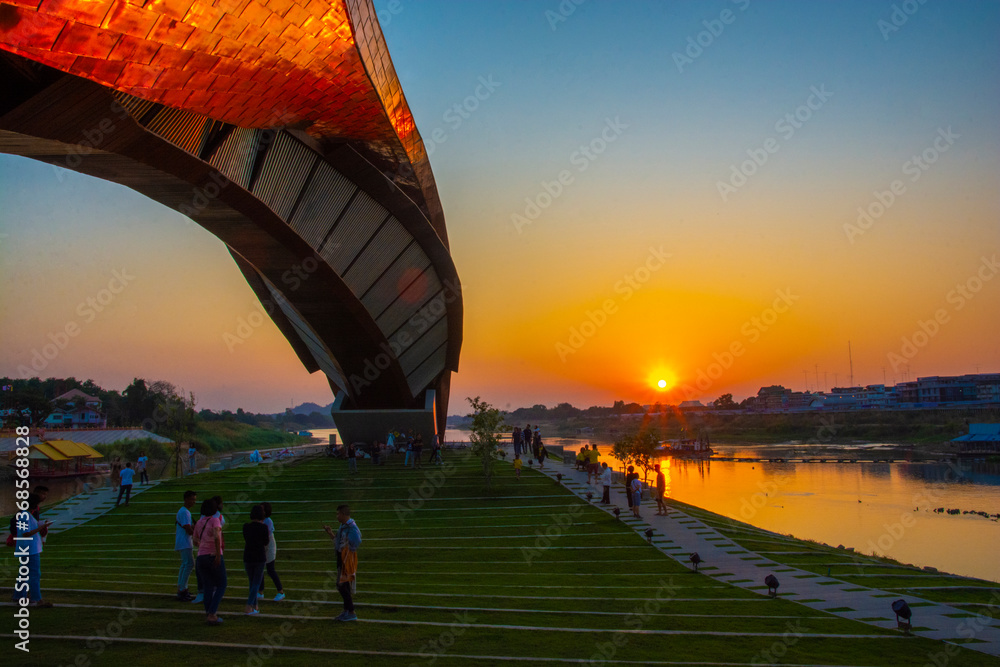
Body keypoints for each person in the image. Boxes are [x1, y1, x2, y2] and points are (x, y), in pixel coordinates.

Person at [323, 504, 361, 621]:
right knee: (344, 585)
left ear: (344, 514)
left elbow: (357, 541)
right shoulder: (343, 526)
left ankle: (351, 612)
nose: (337, 516)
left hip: (346, 559)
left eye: (338, 513)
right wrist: (330, 533)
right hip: (341, 558)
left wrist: (348, 551)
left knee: (340, 585)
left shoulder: (351, 527)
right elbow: (338, 542)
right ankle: (347, 611)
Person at [15, 493, 53, 608]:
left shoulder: (27, 515)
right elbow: (26, 533)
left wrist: (42, 525)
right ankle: (36, 599)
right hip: (29, 550)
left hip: (28, 548)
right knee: (34, 574)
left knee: (24, 573)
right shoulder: (24, 516)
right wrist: (41, 527)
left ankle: (20, 596)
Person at [193, 498, 225, 624]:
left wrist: (203, 545)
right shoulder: (215, 520)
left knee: (208, 586)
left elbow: (195, 541)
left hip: (201, 556)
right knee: (222, 584)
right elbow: (217, 537)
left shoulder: (199, 522)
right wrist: (217, 554)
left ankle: (208, 613)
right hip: (212, 554)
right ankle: (212, 613)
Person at [242, 505, 269, 615]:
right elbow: (266, 542)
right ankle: (249, 606)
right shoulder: (263, 527)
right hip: (259, 556)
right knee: (256, 583)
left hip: (248, 556)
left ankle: (255, 605)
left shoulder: (246, 527)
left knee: (252, 582)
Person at [258, 502, 286, 602]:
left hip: (269, 546)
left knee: (270, 569)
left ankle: (281, 591)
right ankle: (260, 592)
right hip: (262, 545)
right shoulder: (260, 520)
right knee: (260, 569)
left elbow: (267, 537)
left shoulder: (268, 521)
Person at [175, 490, 197, 601]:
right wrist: (197, 537)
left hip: (183, 542)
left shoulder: (184, 511)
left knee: (185, 564)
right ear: (186, 499)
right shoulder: (185, 512)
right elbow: (188, 528)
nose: (194, 502)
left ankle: (182, 587)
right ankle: (183, 589)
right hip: (185, 542)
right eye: (192, 499)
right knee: (189, 564)